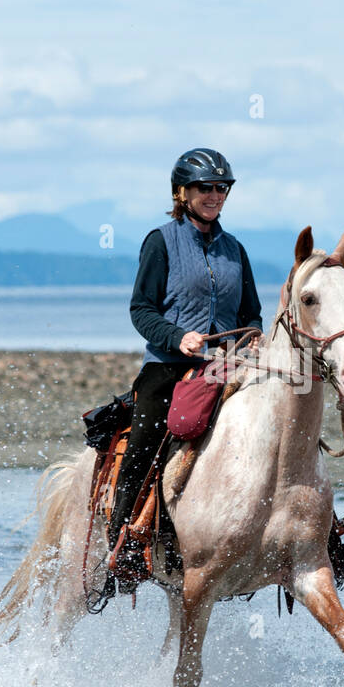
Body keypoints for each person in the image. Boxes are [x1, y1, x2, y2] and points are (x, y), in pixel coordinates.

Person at [108, 148, 263, 550]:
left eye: (222, 187)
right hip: (170, 366)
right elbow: (140, 310)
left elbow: (252, 314)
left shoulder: (236, 250)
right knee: (143, 444)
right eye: (205, 187)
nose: (215, 195)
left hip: (229, 366)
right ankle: (120, 542)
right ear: (182, 192)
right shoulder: (160, 242)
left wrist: (255, 338)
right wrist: (178, 336)